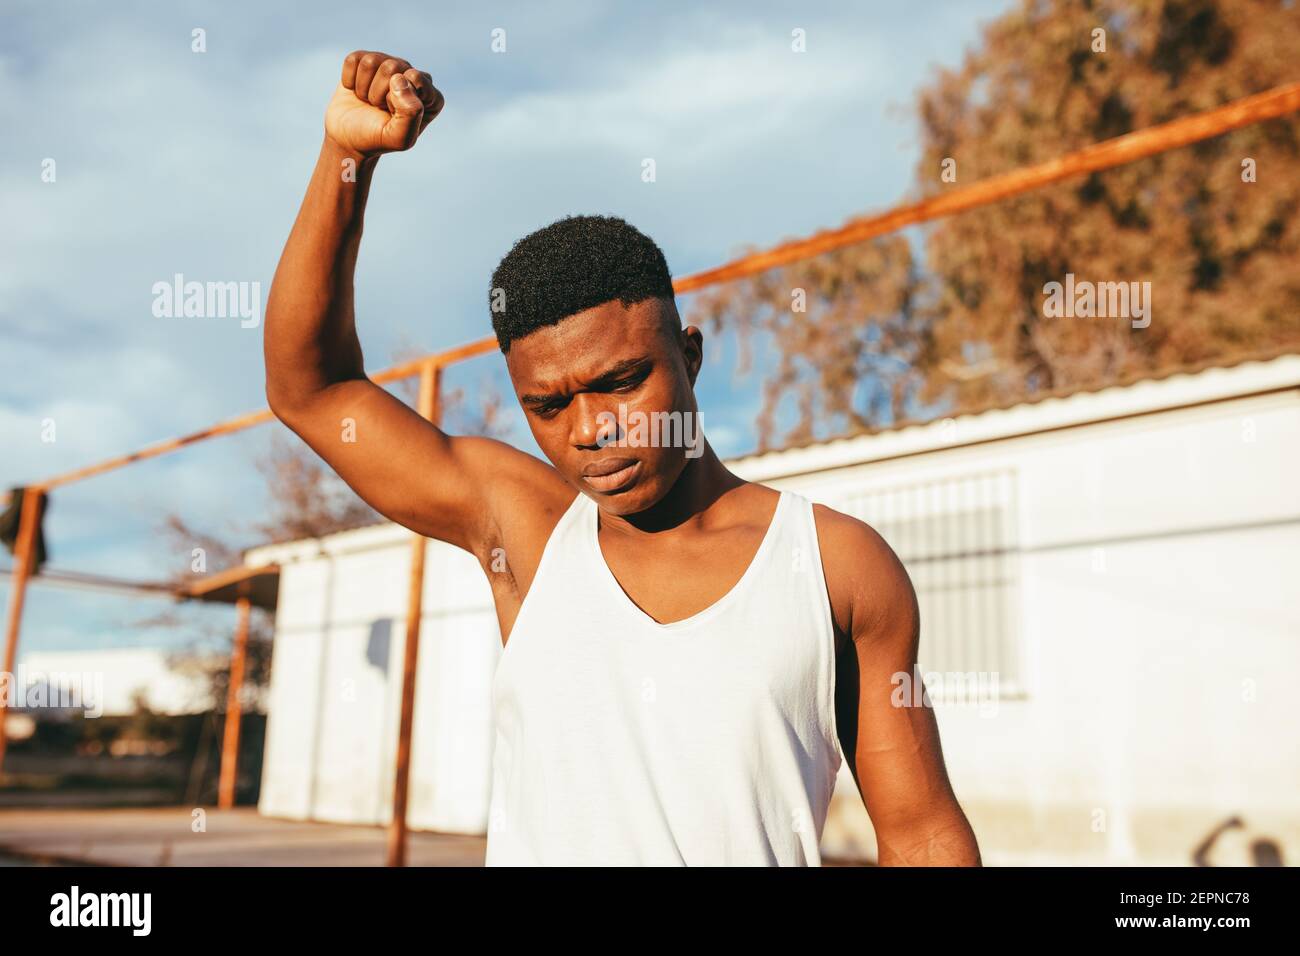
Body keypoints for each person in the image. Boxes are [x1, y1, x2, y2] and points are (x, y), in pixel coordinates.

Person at [264, 50, 981, 867]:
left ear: (692, 354)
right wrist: (346, 160)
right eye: (549, 404)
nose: (589, 429)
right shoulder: (527, 535)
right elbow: (311, 389)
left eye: (622, 381)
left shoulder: (833, 564)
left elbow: (921, 832)